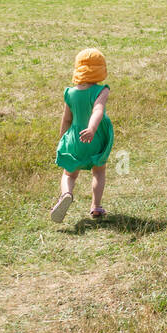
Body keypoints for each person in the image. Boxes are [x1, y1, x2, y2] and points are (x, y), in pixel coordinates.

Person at [50, 47, 114, 222]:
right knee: (98, 172)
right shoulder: (102, 90)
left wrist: (63, 140)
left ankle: (66, 194)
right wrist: (92, 128)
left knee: (70, 174)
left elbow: (66, 120)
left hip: (74, 140)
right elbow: (98, 111)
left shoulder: (69, 93)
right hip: (95, 137)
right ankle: (96, 207)